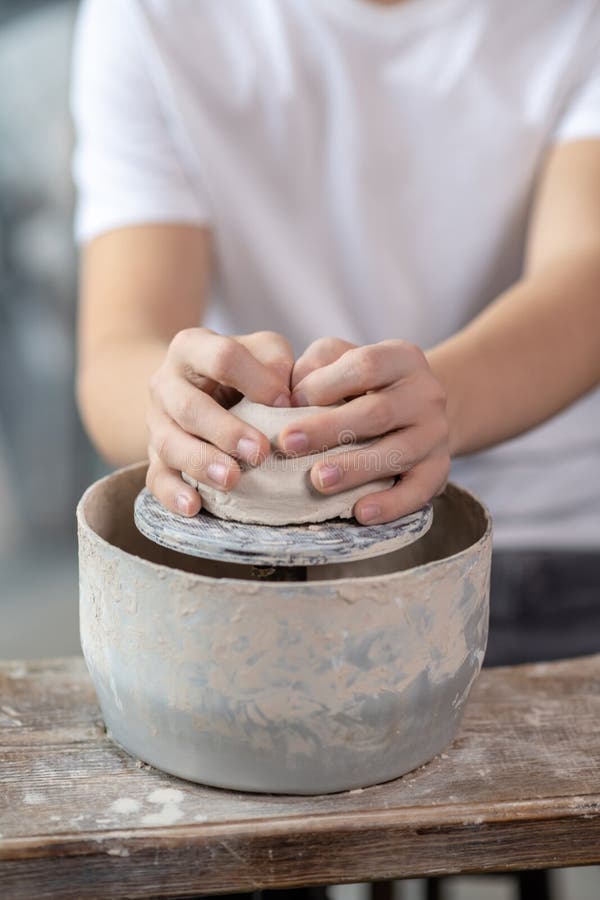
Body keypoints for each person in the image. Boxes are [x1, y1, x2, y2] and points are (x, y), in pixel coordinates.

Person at [72, 2, 600, 896]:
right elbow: (119, 348)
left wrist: (441, 405)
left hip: (557, 539)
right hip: (253, 578)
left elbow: (586, 273)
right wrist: (176, 414)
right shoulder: (152, 17)